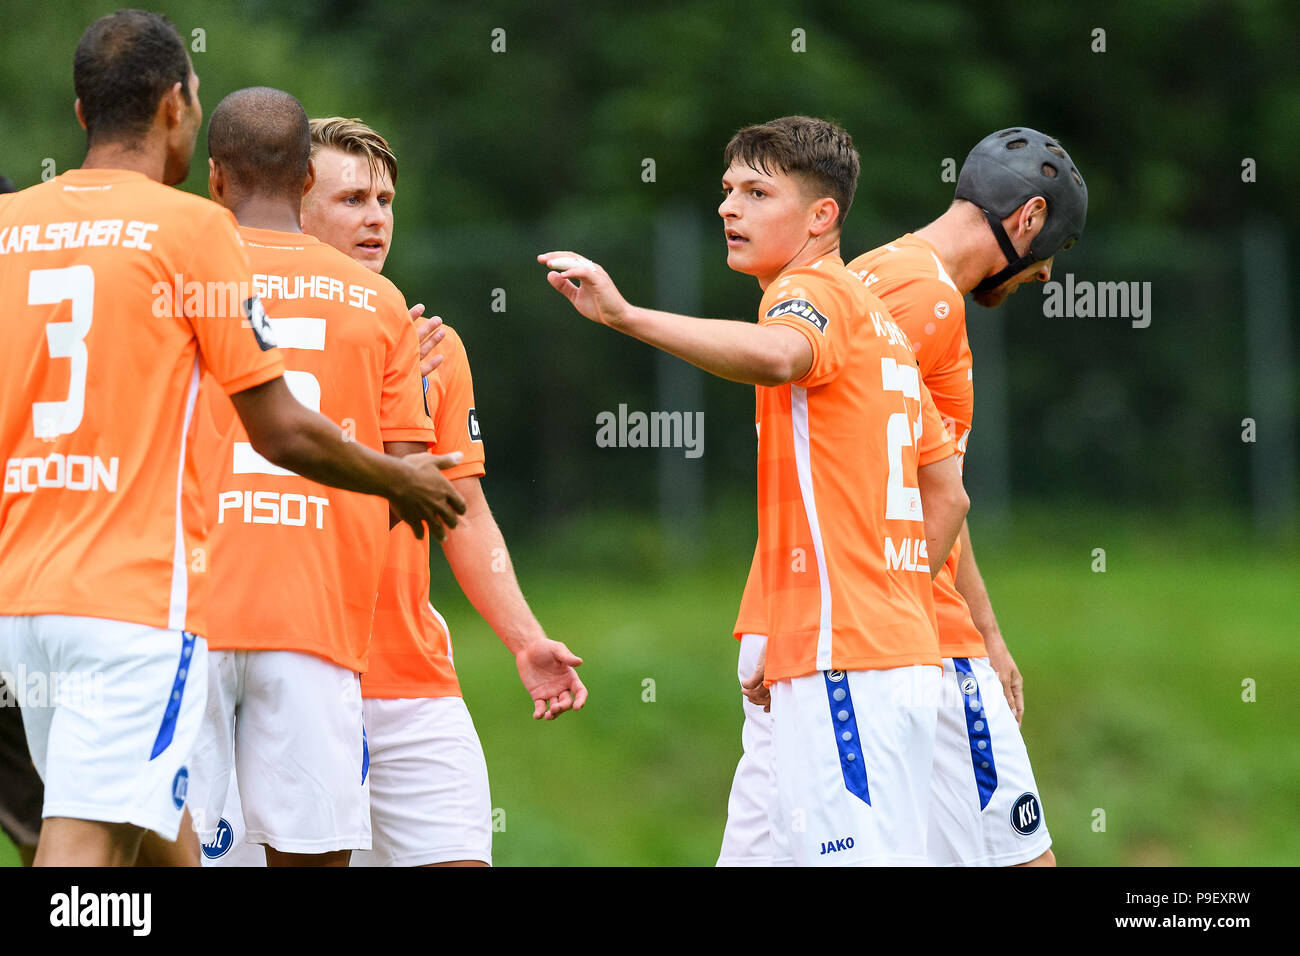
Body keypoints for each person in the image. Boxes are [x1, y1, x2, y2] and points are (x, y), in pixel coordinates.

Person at [0, 10, 463, 868]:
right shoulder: (192, 231)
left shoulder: (10, 227)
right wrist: (402, 482)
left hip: (22, 600)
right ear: (177, 105)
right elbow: (280, 426)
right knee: (82, 841)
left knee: (155, 833)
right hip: (131, 597)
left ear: (77, 113)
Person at [541, 115, 968, 865]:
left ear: (821, 216)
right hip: (867, 652)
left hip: (848, 664)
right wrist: (859, 610)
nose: (728, 207)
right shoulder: (883, 323)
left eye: (755, 191)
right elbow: (949, 496)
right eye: (728, 190)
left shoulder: (809, 292)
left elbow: (779, 356)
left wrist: (626, 315)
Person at [201, 116, 587, 868]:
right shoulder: (219, 322)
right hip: (272, 659)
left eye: (385, 200)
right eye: (351, 200)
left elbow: (463, 511)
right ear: (297, 195)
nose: (375, 217)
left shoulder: (431, 349)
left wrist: (525, 636)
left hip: (410, 676)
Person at [721, 126, 1086, 867]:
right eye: (1054, 253)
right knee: (1023, 861)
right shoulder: (923, 299)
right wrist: (931, 621)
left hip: (853, 626)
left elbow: (923, 484)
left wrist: (988, 629)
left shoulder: (893, 274)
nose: (1044, 275)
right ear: (1028, 220)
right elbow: (901, 491)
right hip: (892, 636)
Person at [187, 88, 467, 868]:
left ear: (215, 179)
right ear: (305, 184)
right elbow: (420, 485)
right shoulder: (379, 305)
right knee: (313, 850)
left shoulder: (176, 277)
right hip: (312, 615)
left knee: (179, 852)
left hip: (190, 606)